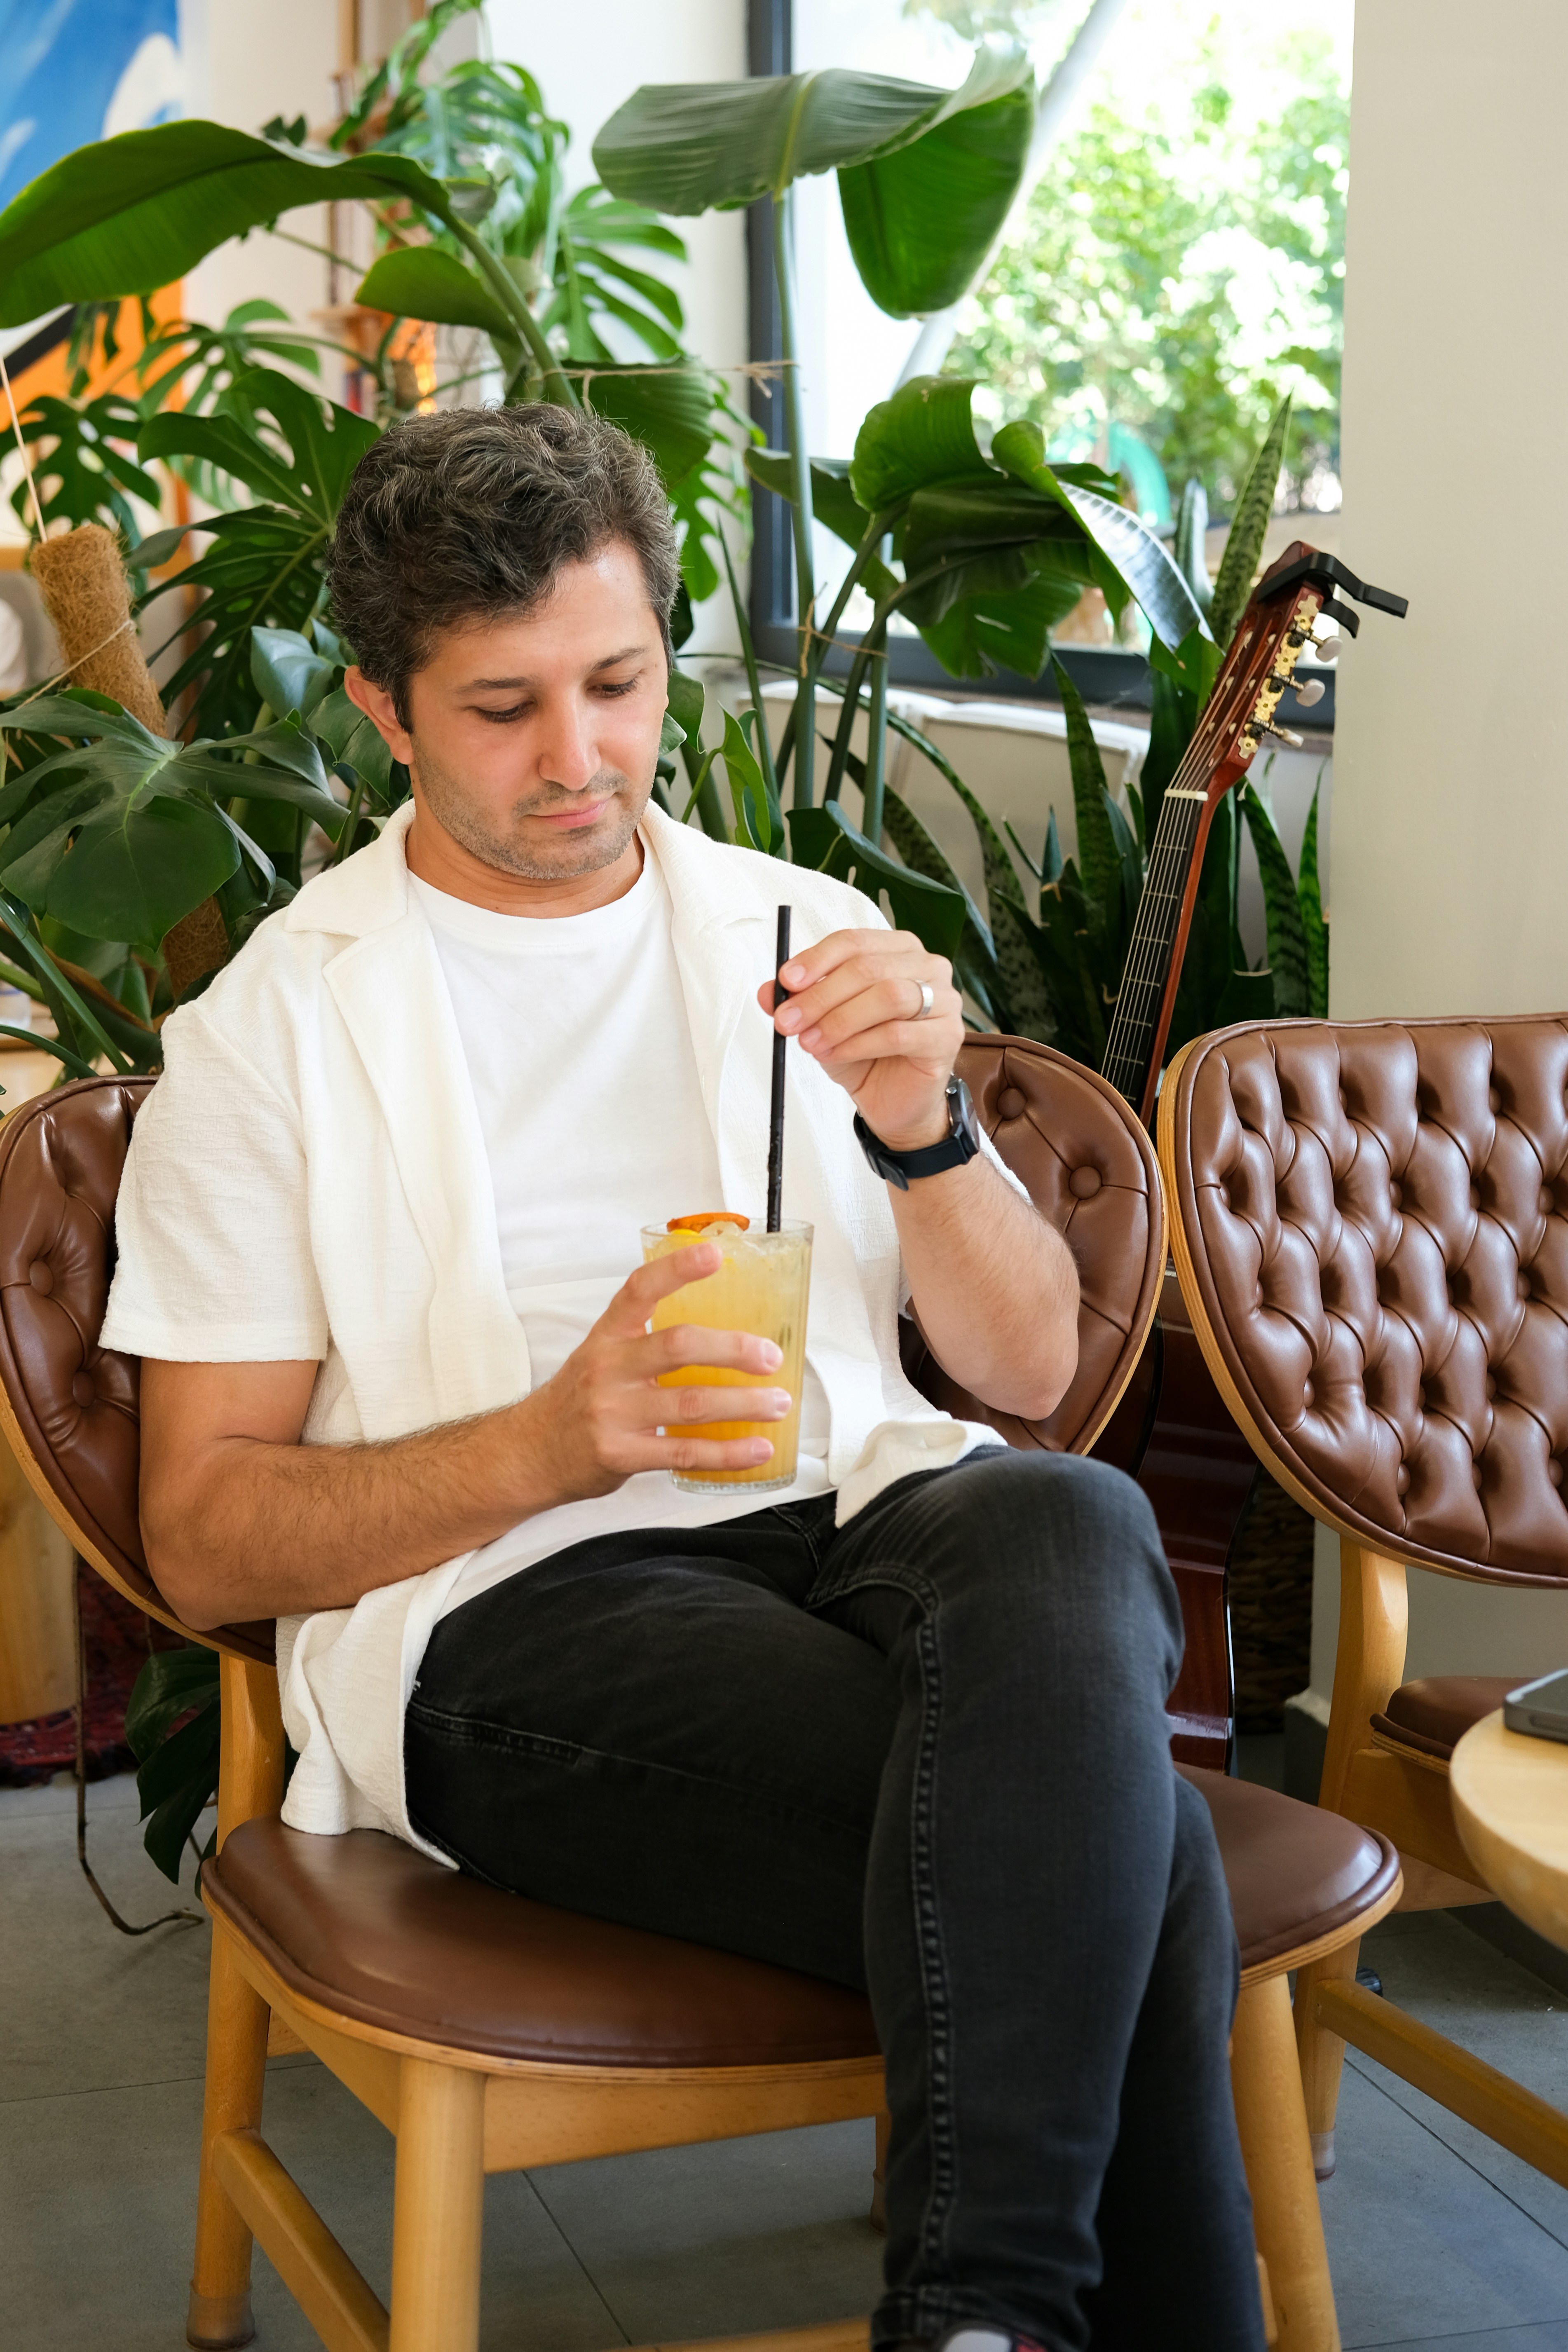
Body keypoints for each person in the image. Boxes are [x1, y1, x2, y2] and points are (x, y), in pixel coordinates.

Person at [103, 405, 1263, 2352]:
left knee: (1064, 1506)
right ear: (386, 708)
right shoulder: (269, 1037)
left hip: (866, 1514)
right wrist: (553, 1437)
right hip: (518, 1602)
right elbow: (206, 1539)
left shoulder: (799, 934)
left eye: (620, 682)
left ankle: (976, 2318)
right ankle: (987, 2313)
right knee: (1123, 1862)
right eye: (503, 707)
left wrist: (922, 1126)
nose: (580, 756)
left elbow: (1030, 1365)